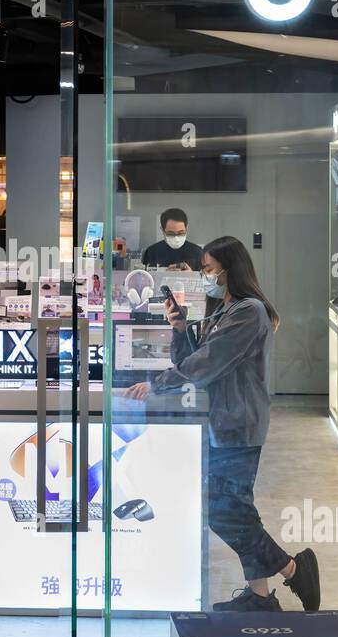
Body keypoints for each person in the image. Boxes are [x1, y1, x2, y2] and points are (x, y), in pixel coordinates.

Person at [124, 235, 320, 613]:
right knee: (237, 509)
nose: (205, 276)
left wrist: (156, 384)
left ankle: (294, 568)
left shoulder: (249, 313)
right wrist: (180, 330)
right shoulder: (226, 310)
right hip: (224, 421)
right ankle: (261, 596)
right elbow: (197, 357)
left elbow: (207, 365)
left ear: (231, 270)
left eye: (209, 269)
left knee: (224, 512)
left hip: (238, 424)